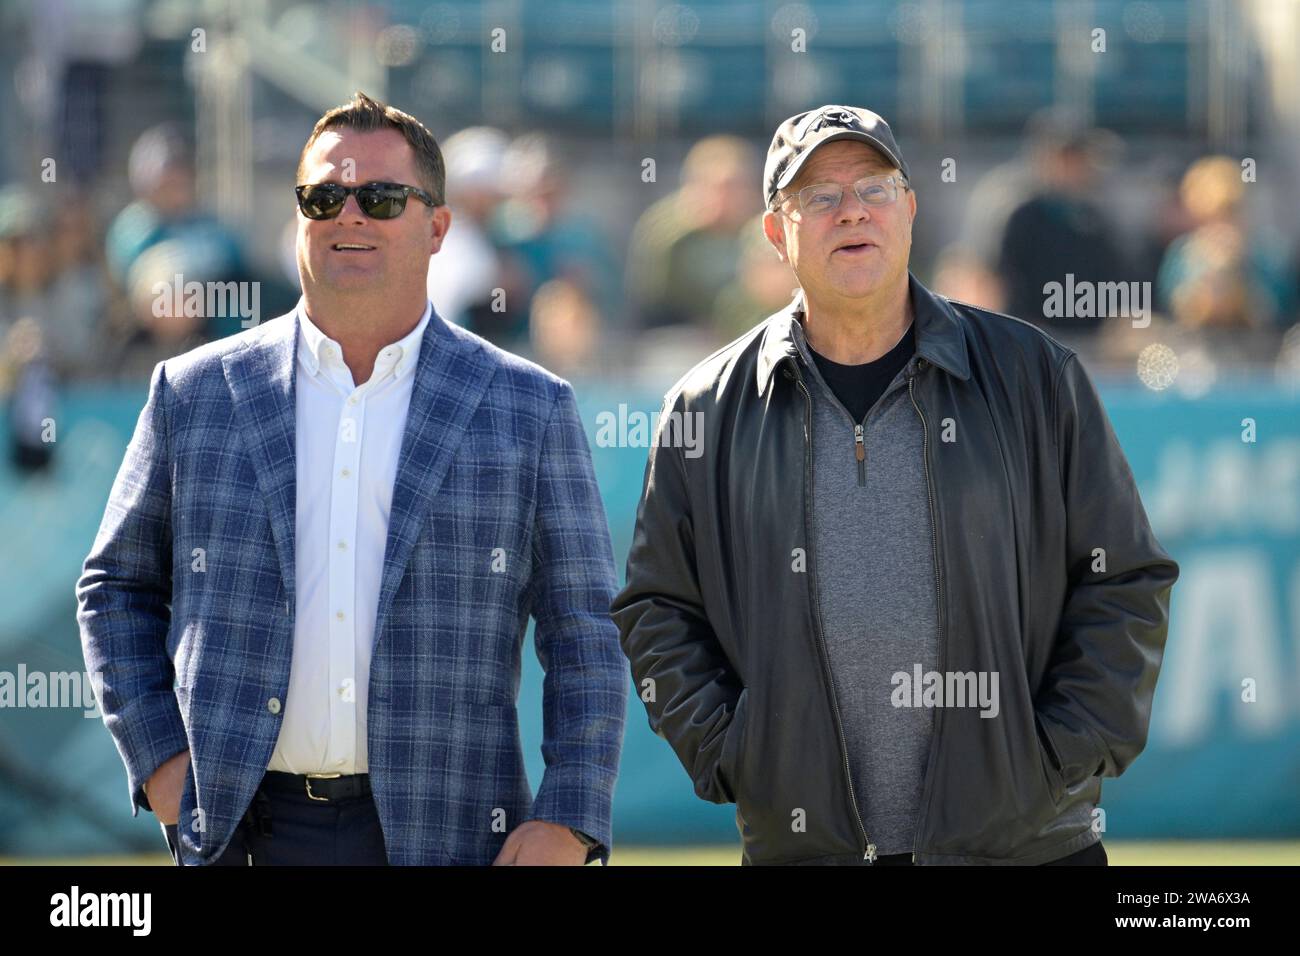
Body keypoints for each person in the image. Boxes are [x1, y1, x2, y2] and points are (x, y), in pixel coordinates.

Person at [611, 104, 1178, 866]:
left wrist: (1060, 754)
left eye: (874, 187)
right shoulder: (707, 407)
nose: (852, 211)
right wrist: (736, 754)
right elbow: (658, 604)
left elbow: (1124, 577)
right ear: (777, 234)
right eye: (818, 196)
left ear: (908, 209)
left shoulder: (1034, 374)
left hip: (1024, 844)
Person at [77, 92, 626, 866]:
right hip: (240, 832)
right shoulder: (195, 393)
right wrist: (160, 763)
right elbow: (115, 587)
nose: (350, 215)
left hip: (453, 835)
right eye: (325, 195)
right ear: (297, 216)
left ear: (438, 228)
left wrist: (570, 816)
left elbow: (587, 632)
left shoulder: (529, 407)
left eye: (382, 197)